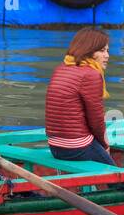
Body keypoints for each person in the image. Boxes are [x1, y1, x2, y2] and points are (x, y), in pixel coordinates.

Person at [44, 28, 117, 165]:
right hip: (77, 147)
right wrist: (104, 144)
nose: (107, 55)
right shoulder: (91, 74)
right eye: (101, 51)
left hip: (55, 146)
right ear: (88, 51)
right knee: (114, 174)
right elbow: (96, 119)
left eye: (107, 50)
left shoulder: (61, 69)